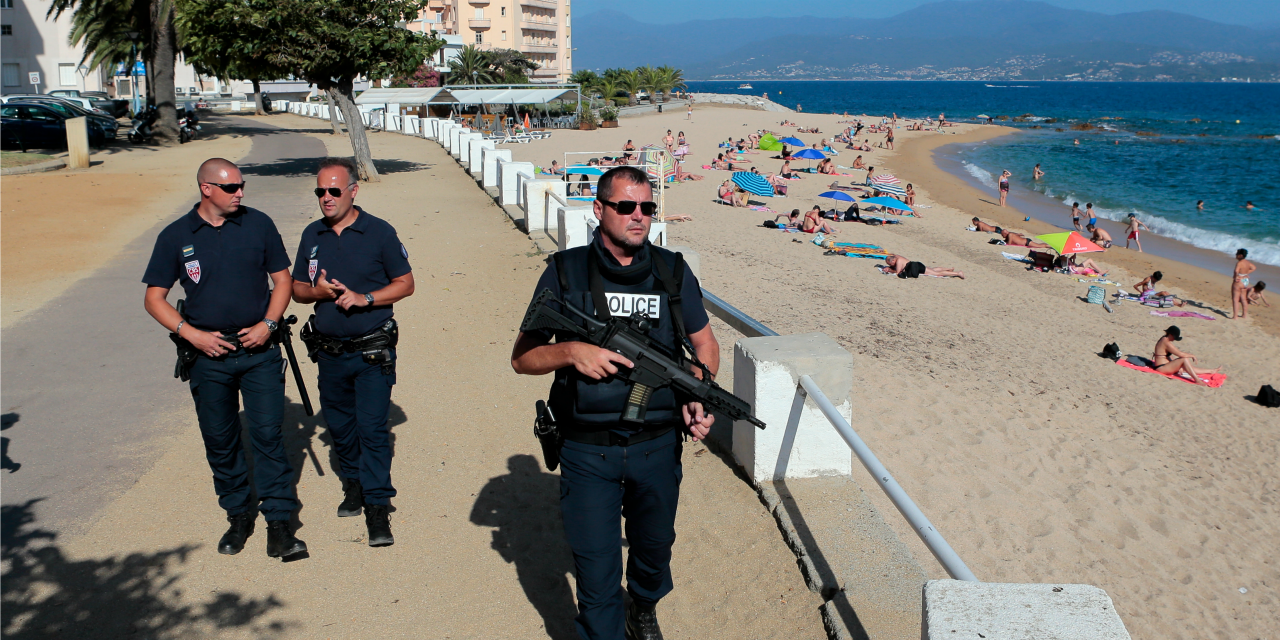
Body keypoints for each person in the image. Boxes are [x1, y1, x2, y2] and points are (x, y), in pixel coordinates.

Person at [510, 166, 720, 640]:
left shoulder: (671, 270)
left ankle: (642, 606)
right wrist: (571, 352)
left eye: (647, 207)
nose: (639, 216)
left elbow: (706, 346)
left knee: (653, 548)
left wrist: (696, 391)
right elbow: (522, 358)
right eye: (626, 206)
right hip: (587, 449)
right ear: (599, 210)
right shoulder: (564, 272)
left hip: (658, 445)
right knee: (596, 568)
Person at [141, 158, 306, 559]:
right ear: (206, 189)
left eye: (241, 185)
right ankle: (238, 516)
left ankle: (279, 524)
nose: (240, 193)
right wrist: (191, 334)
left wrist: (269, 322)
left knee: (268, 437)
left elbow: (282, 280)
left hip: (259, 350)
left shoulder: (258, 224)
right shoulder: (176, 235)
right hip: (208, 357)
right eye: (231, 187)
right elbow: (153, 298)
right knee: (221, 440)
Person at [291, 157, 414, 547]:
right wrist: (319, 292)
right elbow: (296, 289)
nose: (326, 198)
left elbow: (406, 283)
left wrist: (366, 298)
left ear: (352, 191)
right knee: (340, 429)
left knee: (373, 430)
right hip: (328, 353)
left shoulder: (378, 232)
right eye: (320, 192)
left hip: (371, 352)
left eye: (333, 191)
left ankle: (378, 509)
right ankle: (354, 487)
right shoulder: (312, 235)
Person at [1152, 326, 1219, 386]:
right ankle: (1197, 380)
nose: (1174, 339)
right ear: (1171, 334)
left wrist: (1176, 365)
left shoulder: (1164, 338)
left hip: (1166, 365)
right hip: (1161, 368)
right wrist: (1192, 355)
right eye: (1174, 337)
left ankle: (1211, 371)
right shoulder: (1166, 342)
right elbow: (1180, 354)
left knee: (1188, 367)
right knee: (1184, 359)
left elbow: (1168, 355)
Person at [882, 254, 964, 279]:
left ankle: (958, 273)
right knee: (932, 269)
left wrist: (889, 270)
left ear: (893, 261)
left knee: (936, 273)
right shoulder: (898, 257)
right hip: (917, 265)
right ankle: (949, 269)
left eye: (890, 264)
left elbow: (897, 272)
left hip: (916, 267)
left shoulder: (899, 261)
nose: (890, 265)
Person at [1232, 248, 1257, 320]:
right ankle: (1244, 315)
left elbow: (1236, 271)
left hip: (1239, 281)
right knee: (1243, 298)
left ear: (1240, 255)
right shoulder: (1247, 262)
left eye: (1237, 254)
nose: (1235, 255)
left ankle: (1235, 316)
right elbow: (1254, 268)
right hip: (1246, 280)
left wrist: (1236, 277)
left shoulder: (1239, 263)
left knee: (1235, 299)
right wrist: (1246, 273)